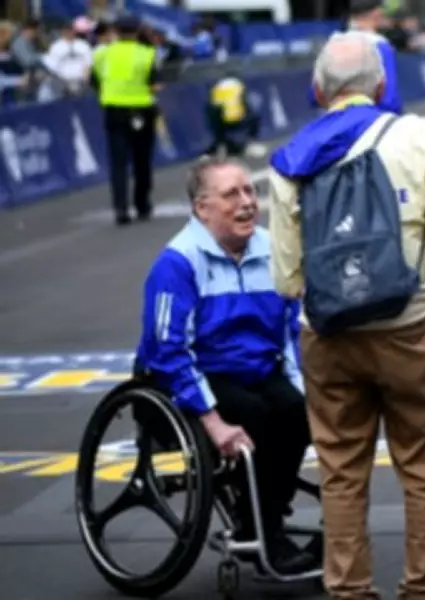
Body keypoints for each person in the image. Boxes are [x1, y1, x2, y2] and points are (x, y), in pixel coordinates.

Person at [268, 31, 425, 600]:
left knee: (340, 471)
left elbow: (285, 277)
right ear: (382, 85)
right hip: (410, 325)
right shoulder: (416, 134)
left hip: (329, 335)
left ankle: (350, 590)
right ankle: (424, 590)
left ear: (317, 89)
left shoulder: (290, 160)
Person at [134, 155, 322, 578]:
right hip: (185, 379)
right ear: (202, 209)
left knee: (298, 413)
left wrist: (307, 393)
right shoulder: (177, 264)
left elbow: (290, 335)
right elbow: (167, 353)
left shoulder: (273, 249)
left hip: (255, 371)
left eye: (249, 191)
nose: (247, 202)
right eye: (231, 194)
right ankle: (265, 530)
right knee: (255, 416)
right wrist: (213, 422)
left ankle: (264, 520)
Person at [90, 14, 158, 226]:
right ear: (138, 31)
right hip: (141, 109)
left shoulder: (102, 55)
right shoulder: (147, 54)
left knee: (118, 162)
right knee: (142, 159)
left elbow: (94, 81)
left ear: (116, 32)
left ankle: (120, 208)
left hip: (114, 110)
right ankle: (142, 204)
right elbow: (154, 83)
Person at [307, 0, 403, 114]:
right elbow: (390, 100)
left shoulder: (332, 43)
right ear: (376, 13)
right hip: (370, 120)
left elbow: (314, 95)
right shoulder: (380, 46)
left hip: (334, 119)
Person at [205, 71, 262, 157]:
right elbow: (246, 103)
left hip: (221, 122)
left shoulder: (216, 87)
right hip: (238, 118)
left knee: (214, 117)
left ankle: (221, 145)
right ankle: (251, 143)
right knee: (255, 113)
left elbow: (211, 107)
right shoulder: (239, 85)